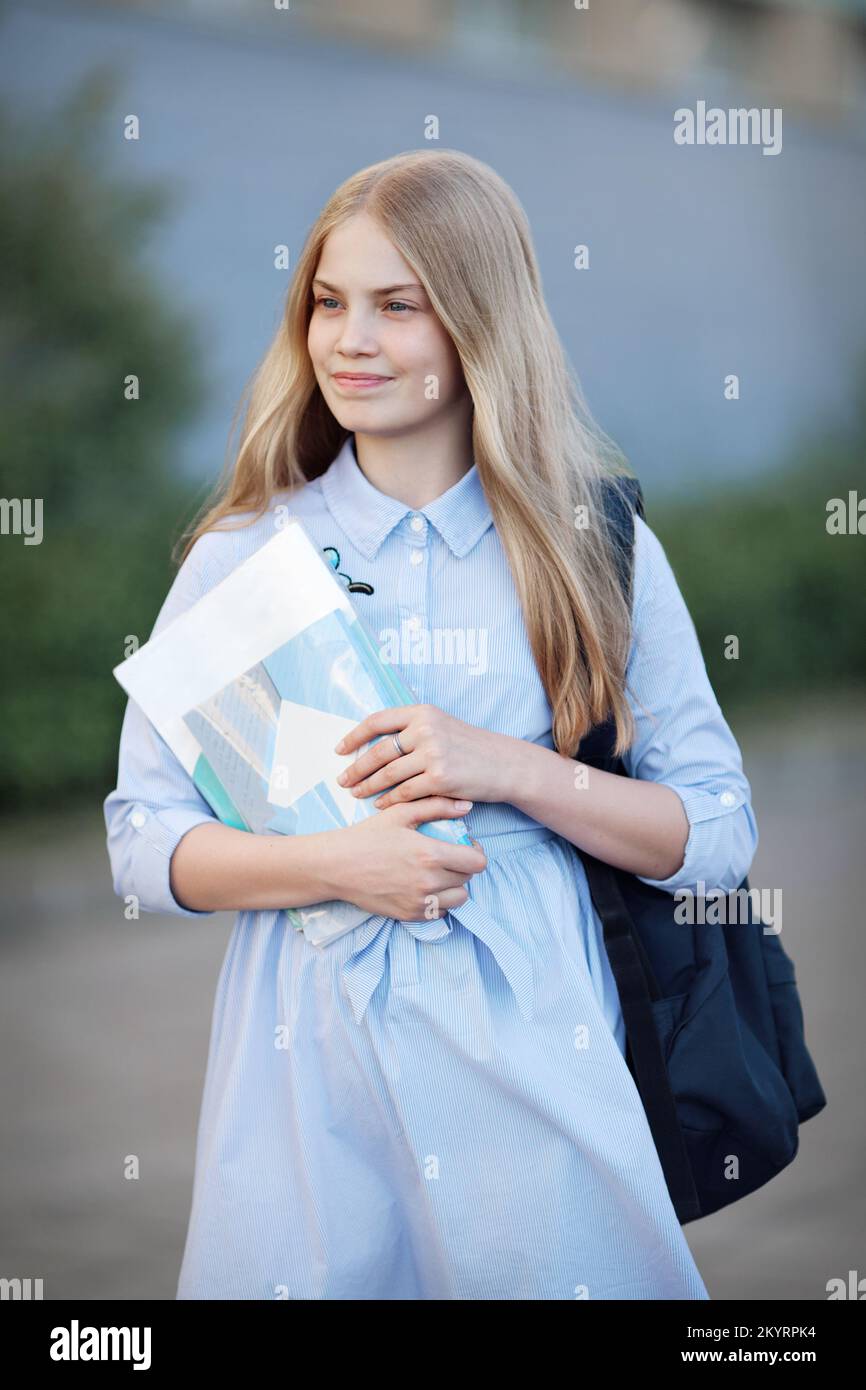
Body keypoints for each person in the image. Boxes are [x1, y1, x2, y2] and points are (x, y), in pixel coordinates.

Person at [103, 149, 757, 1300]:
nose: (348, 339)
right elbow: (140, 842)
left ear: (477, 324)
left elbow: (714, 827)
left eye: (396, 306)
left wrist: (509, 768)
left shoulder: (586, 548)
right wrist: (329, 863)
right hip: (304, 1057)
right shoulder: (245, 556)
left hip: (536, 1051)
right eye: (327, 301)